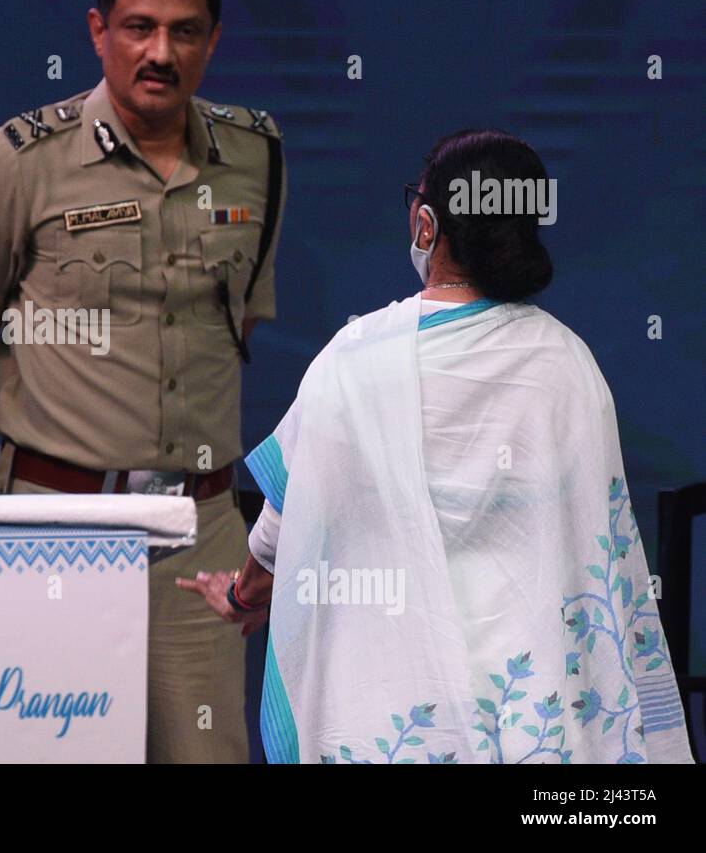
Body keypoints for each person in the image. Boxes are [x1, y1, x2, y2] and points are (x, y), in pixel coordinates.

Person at [180, 128, 694, 763]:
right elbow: (596, 540)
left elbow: (283, 527)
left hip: (388, 712)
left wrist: (242, 594)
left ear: (427, 225)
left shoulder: (355, 360)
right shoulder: (565, 364)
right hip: (533, 720)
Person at [0, 0, 286, 763]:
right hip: (59, 522)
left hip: (201, 528)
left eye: (184, 30)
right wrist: (45, 425)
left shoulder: (258, 156)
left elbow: (242, 321)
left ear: (213, 40)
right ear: (98, 31)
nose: (160, 53)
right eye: (138, 27)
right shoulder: (19, 161)